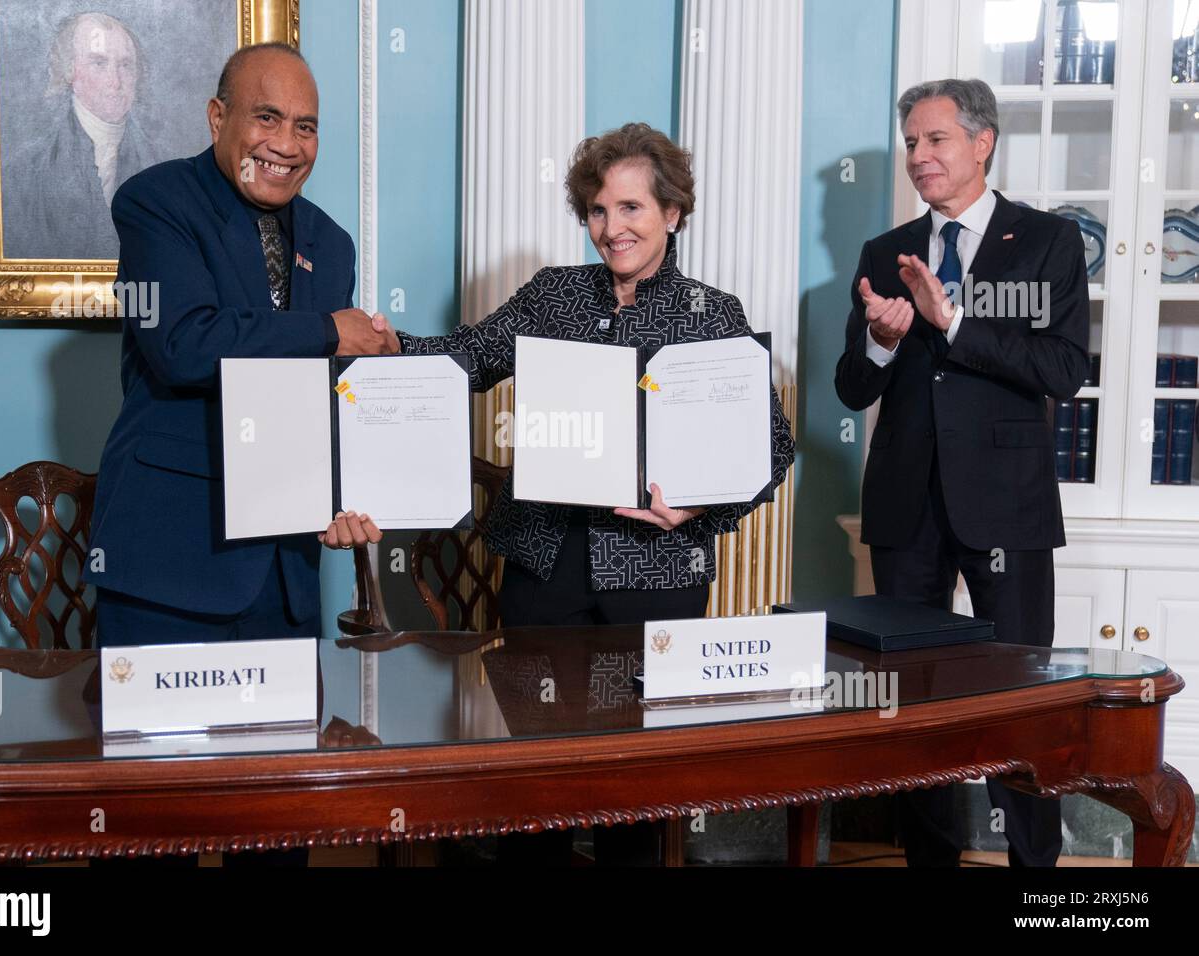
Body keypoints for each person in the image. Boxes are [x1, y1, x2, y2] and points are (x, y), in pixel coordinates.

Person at [392, 122, 796, 863]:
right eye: (600, 211)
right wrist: (387, 346)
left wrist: (701, 507)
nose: (614, 229)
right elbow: (468, 358)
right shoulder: (554, 294)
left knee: (634, 787)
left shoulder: (715, 313)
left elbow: (773, 447)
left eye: (633, 209)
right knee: (540, 774)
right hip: (547, 564)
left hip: (658, 572)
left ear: (673, 212)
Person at [834, 78, 1090, 867]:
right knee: (913, 710)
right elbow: (852, 387)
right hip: (906, 511)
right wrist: (880, 341)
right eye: (911, 141)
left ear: (982, 143)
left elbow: (1063, 368)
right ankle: (929, 861)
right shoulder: (884, 252)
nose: (919, 156)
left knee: (1018, 704)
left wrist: (953, 324)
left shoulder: (1047, 241)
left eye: (934, 140)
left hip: (1007, 511)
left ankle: (1036, 876)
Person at [86, 42, 388, 653]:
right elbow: (183, 343)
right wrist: (330, 331)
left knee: (286, 751)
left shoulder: (332, 244)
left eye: (306, 127)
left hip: (287, 579)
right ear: (218, 118)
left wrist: (351, 490)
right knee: (154, 751)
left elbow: (327, 400)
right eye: (267, 117)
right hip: (170, 565)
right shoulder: (154, 203)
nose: (287, 143)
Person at [8, 12, 162, 259]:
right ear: (70, 71)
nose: (115, 82)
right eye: (99, 63)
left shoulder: (162, 164)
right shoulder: (23, 173)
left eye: (125, 65)